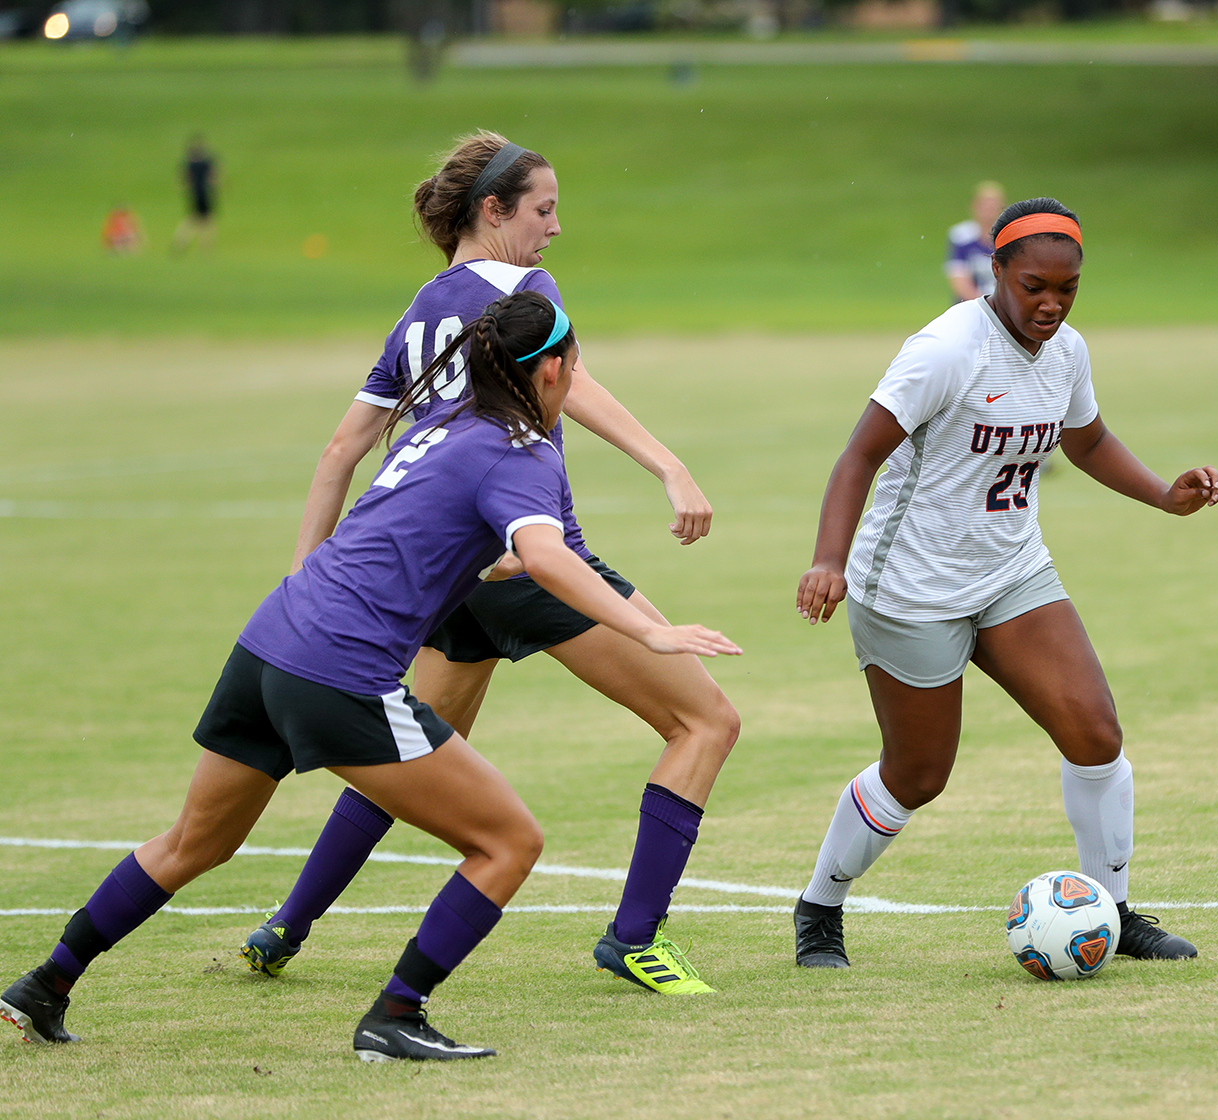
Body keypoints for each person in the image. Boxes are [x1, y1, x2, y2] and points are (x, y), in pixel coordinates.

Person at [0, 292, 740, 1059]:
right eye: (575, 366)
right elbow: (547, 556)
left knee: (194, 840)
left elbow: (442, 535)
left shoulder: (437, 425)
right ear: (551, 370)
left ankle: (45, 983)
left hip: (268, 641)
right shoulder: (523, 450)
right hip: (339, 670)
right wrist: (649, 630)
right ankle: (395, 1014)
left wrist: (499, 562)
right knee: (509, 842)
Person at [238, 133, 739, 997]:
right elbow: (573, 383)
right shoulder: (524, 290)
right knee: (705, 722)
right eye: (543, 209)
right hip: (527, 559)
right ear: (493, 210)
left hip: (448, 577)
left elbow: (339, 450)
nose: (555, 227)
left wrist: (303, 581)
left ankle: (288, 923)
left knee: (410, 750)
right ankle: (635, 936)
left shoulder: (421, 308)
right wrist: (668, 464)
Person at [790, 197, 1218, 970]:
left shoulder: (1066, 352)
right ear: (995, 272)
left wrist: (1163, 494)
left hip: (1011, 571)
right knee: (917, 774)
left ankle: (1112, 911)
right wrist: (828, 558)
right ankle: (819, 908)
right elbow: (858, 456)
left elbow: (1086, 440)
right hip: (911, 587)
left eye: (1067, 288)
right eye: (1033, 287)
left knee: (1095, 734)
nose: (1051, 304)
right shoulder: (945, 349)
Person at [945, 181, 1005, 303]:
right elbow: (958, 276)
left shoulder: (1011, 237)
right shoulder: (961, 237)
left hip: (1004, 305)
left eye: (994, 205)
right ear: (975, 206)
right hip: (971, 304)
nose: (989, 210)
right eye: (985, 205)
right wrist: (983, 304)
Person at [171, 135, 217, 255]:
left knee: (193, 219)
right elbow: (213, 178)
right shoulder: (207, 163)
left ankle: (180, 241)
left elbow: (184, 180)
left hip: (194, 194)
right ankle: (205, 247)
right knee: (208, 221)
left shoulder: (189, 164)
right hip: (205, 194)